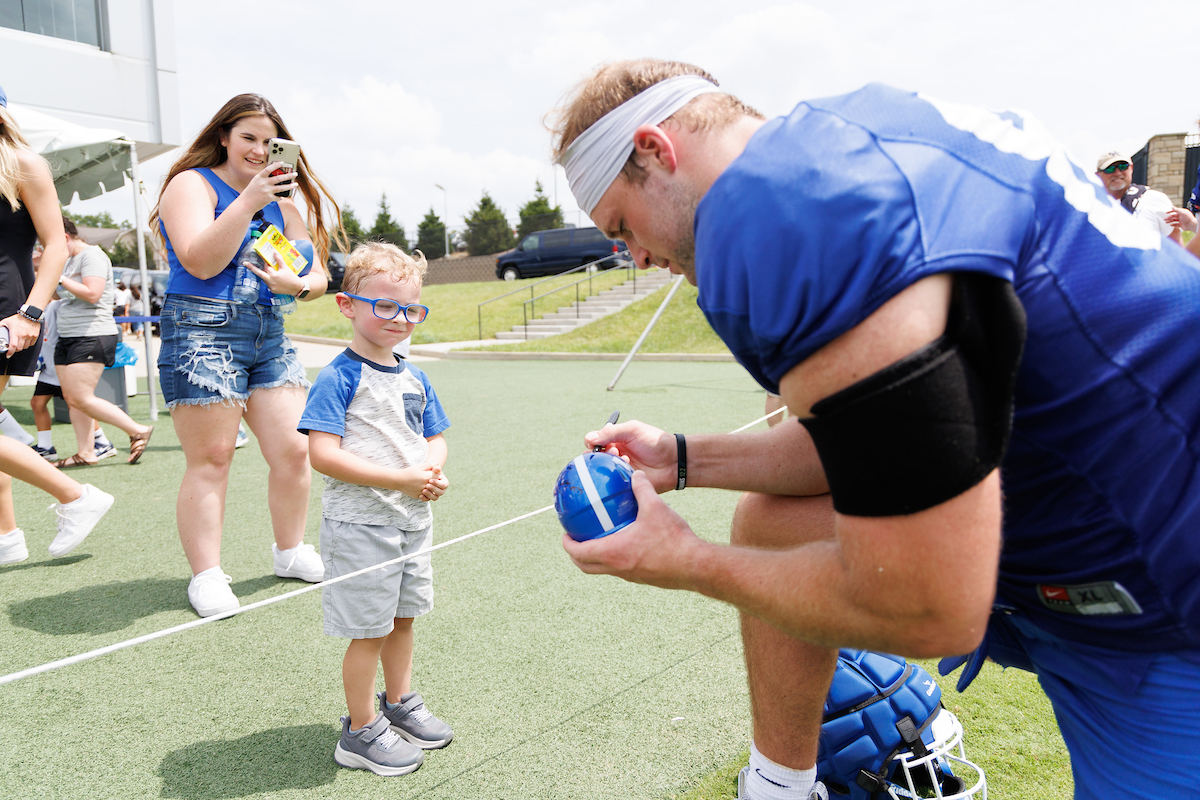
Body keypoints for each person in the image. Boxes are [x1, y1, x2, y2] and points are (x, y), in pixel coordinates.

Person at [550, 60, 1200, 800]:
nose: (633, 257)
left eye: (622, 228)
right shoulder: (854, 132)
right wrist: (684, 458)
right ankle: (780, 786)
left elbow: (929, 608)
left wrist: (683, 559)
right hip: (1074, 505)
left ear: (656, 149)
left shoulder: (784, 215)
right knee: (776, 520)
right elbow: (880, 439)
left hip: (1162, 584)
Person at [150, 93, 343, 617]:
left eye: (268, 141)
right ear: (224, 139)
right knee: (212, 458)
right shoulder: (191, 184)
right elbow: (201, 260)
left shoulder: (285, 204)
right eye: (248, 139)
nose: (259, 151)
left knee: (294, 449)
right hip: (201, 329)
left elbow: (320, 276)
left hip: (268, 332)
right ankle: (206, 575)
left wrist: (297, 284)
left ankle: (289, 550)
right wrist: (249, 200)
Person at [298, 242, 452, 776]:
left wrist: (430, 469)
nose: (399, 319)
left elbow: (434, 435)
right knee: (370, 629)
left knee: (403, 619)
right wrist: (402, 479)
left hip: (411, 521)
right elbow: (323, 455)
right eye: (384, 306)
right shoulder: (338, 377)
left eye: (411, 308)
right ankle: (360, 730)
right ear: (347, 306)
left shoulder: (413, 376)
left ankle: (398, 702)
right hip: (362, 526)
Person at [0, 84, 114, 565]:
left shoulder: (22, 163)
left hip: (8, 305)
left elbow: (55, 244)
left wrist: (30, 312)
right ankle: (7, 537)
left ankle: (75, 496)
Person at [53, 216, 153, 468]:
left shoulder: (92, 256)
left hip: (92, 334)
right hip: (69, 335)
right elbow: (57, 294)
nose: (44, 249)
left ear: (64, 237)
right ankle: (86, 452)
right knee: (73, 398)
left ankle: (137, 429)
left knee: (82, 397)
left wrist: (59, 277)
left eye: (46, 242)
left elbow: (93, 293)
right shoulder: (67, 261)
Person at [29, 295, 116, 463]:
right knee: (37, 403)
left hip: (63, 365)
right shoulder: (35, 311)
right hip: (49, 368)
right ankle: (46, 447)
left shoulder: (56, 306)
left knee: (78, 404)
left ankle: (102, 441)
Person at [1094, 152, 1183, 242]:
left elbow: (1176, 248)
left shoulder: (1153, 199)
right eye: (1109, 169)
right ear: (1097, 175)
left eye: (1123, 166)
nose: (1117, 173)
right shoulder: (1092, 208)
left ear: (1131, 168)